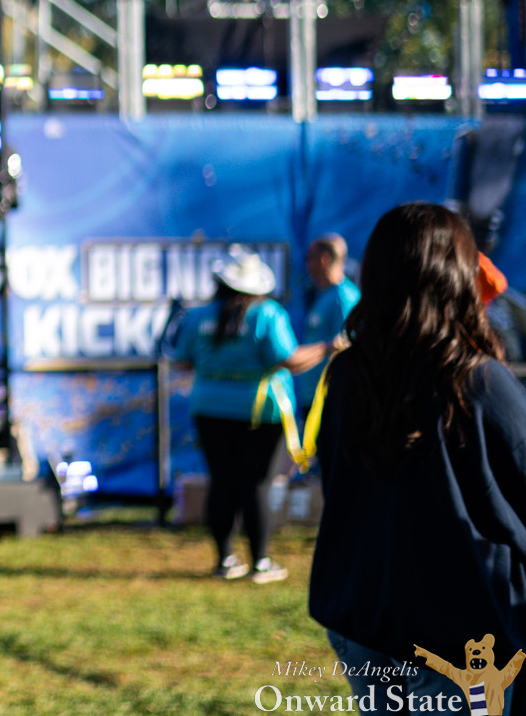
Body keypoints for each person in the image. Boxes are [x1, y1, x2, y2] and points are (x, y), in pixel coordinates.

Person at [310, 203, 526, 711]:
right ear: (457, 275)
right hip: (461, 630)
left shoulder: (345, 376)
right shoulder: (478, 379)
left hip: (365, 613)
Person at [168, 248, 323, 584]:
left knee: (222, 481)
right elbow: (287, 359)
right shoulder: (267, 313)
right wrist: (328, 348)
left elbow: (182, 359)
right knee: (259, 484)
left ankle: (225, 560)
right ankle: (261, 563)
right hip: (260, 413)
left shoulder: (196, 316)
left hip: (209, 408)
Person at [295, 233, 358, 412]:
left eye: (310, 258)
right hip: (315, 397)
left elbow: (345, 345)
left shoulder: (343, 297)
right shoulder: (325, 294)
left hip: (330, 399)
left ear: (324, 259)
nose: (306, 265)